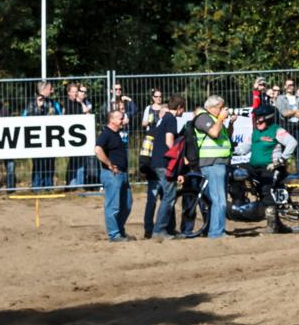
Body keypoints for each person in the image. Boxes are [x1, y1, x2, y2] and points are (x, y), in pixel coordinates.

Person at [193, 95, 235, 239]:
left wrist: (230, 124)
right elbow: (214, 133)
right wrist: (221, 119)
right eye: (220, 107)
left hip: (219, 163)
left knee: (217, 200)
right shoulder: (204, 118)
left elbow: (225, 137)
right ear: (212, 107)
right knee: (219, 201)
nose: (223, 110)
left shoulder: (215, 120)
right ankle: (217, 232)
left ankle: (216, 230)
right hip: (212, 163)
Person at [143, 94, 185, 239]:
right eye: (183, 108)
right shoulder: (171, 119)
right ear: (179, 107)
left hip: (156, 162)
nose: (183, 112)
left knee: (167, 195)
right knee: (169, 195)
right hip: (164, 163)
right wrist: (180, 157)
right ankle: (159, 230)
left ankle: (167, 229)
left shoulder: (163, 119)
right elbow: (169, 142)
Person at [95, 108, 134, 241]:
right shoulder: (106, 134)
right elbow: (97, 149)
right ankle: (114, 234)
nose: (123, 120)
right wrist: (109, 164)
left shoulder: (116, 133)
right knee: (113, 206)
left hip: (122, 175)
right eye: (120, 118)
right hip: (112, 175)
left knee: (127, 204)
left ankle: (120, 230)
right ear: (112, 120)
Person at [22, 81, 62, 189]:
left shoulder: (54, 103)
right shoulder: (31, 103)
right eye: (50, 89)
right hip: (36, 139)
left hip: (51, 138)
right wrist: (38, 108)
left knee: (50, 163)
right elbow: (24, 119)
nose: (52, 91)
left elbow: (61, 117)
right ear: (43, 90)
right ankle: (37, 187)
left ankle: (49, 186)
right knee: (38, 163)